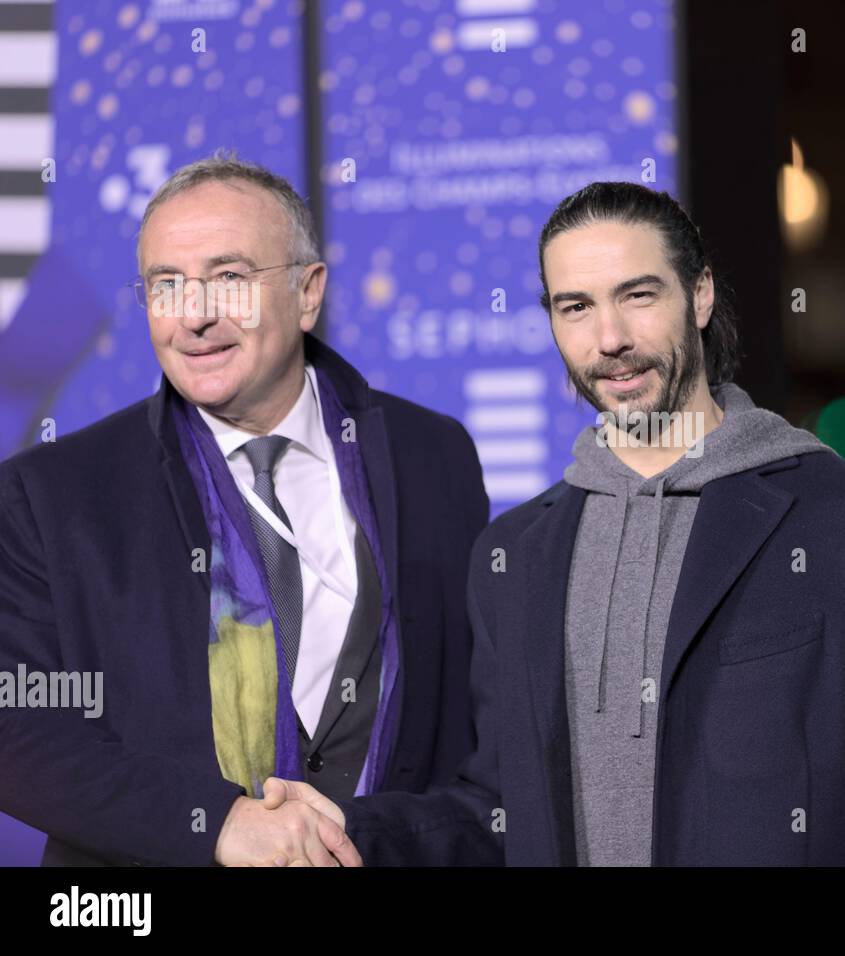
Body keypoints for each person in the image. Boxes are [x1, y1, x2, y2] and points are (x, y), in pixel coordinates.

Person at [269, 181, 845, 866]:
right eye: (575, 307)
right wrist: (348, 829)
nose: (608, 338)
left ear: (699, 295)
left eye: (637, 296)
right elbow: (500, 810)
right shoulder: (515, 558)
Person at [0, 152, 486, 866]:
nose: (194, 316)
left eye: (228, 278)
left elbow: (474, 721)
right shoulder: (52, 492)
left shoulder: (432, 453)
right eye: (167, 284)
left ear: (308, 292)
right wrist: (216, 824)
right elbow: (16, 725)